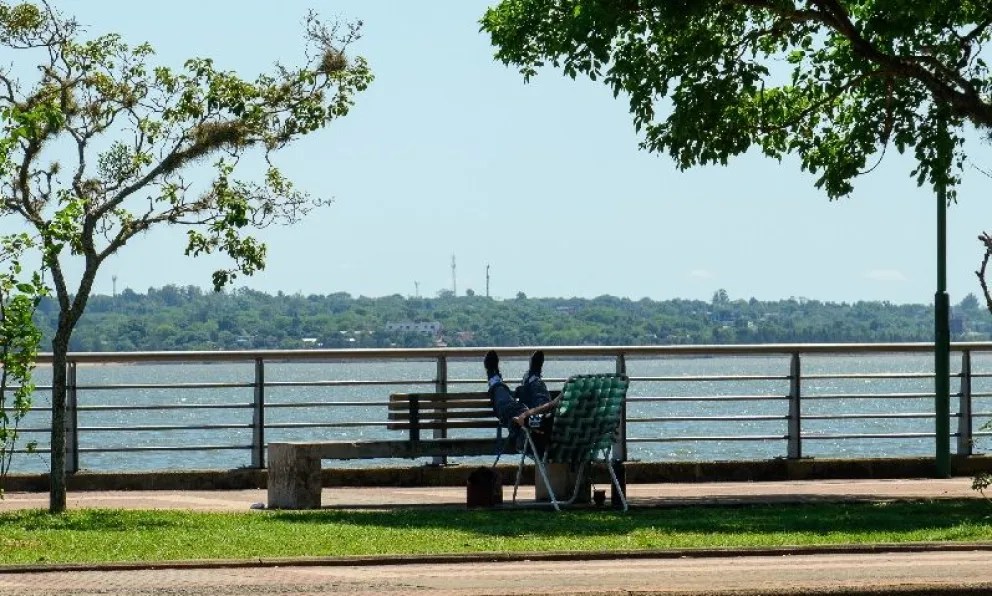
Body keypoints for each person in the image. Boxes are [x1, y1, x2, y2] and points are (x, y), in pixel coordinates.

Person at [484, 349, 559, 428]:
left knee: (510, 407)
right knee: (542, 399)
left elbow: (544, 421)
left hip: (530, 430)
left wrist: (526, 417)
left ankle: (495, 382)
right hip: (548, 423)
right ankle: (533, 379)